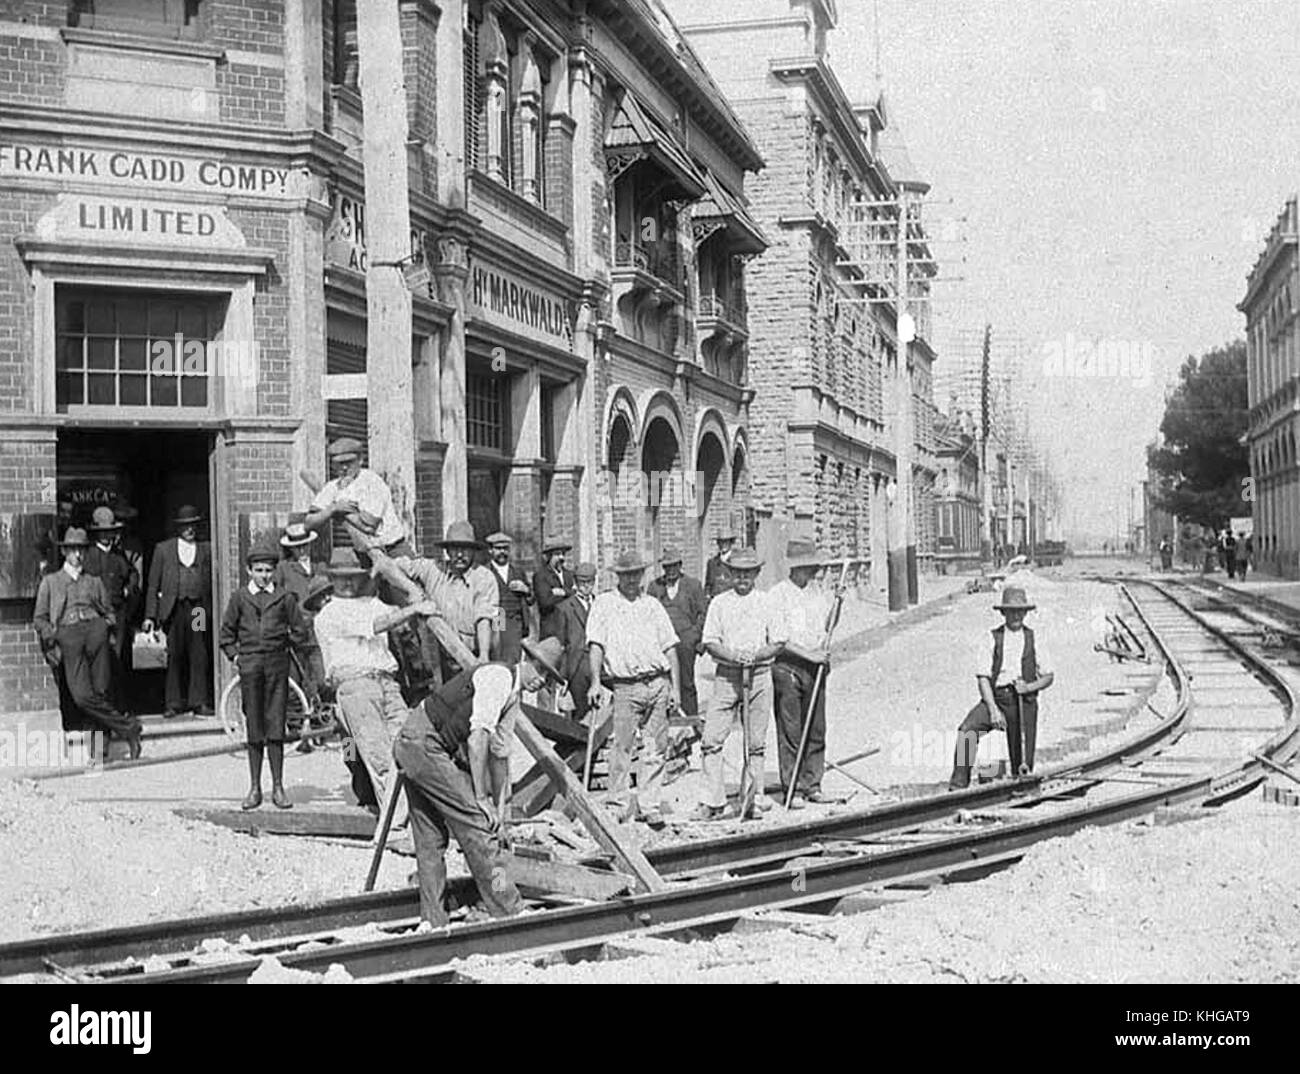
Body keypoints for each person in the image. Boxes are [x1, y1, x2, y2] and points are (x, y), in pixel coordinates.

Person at [392, 636, 567, 926]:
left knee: (430, 837)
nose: (542, 680)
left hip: (419, 744)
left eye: (549, 677)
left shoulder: (513, 697)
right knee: (476, 824)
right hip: (423, 744)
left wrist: (500, 810)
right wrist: (482, 799)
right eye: (540, 670)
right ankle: (509, 909)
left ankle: (432, 921)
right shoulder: (498, 678)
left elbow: (499, 755)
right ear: (526, 661)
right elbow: (477, 741)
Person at [312, 549, 411, 825]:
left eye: (352, 578)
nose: (346, 584)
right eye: (340, 579)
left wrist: (395, 575)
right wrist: (414, 609)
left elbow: (398, 613)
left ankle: (402, 813)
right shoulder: (328, 614)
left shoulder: (371, 602)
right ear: (331, 580)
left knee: (406, 746)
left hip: (386, 683)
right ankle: (390, 818)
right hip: (353, 686)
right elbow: (379, 624)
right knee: (368, 754)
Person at [586, 551, 681, 827]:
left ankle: (649, 804)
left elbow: (670, 647)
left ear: (642, 576)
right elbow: (596, 645)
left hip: (657, 683)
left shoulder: (652, 605)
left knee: (655, 748)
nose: (631, 580)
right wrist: (595, 682)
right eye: (626, 575)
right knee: (622, 747)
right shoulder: (605, 604)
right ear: (618, 576)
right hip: (626, 686)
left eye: (636, 575)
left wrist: (674, 687)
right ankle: (617, 802)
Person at [33, 528, 143, 759]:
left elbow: (110, 612)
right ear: (64, 552)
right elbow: (39, 618)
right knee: (82, 696)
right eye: (73, 550)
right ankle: (128, 727)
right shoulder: (51, 582)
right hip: (68, 635)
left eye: (81, 550)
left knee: (101, 690)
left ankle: (99, 749)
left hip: (95, 632)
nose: (78, 555)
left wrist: (104, 627)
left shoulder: (94, 582)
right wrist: (51, 636)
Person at [695, 548, 788, 821]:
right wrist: (734, 656)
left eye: (748, 572)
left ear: (757, 573)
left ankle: (753, 798)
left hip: (759, 675)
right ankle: (712, 801)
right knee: (711, 739)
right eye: (737, 572)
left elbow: (778, 640)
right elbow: (710, 641)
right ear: (729, 574)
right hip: (727, 675)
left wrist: (757, 655)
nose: (742, 578)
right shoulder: (720, 603)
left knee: (755, 742)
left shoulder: (767, 601)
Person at [219, 536, 310, 810]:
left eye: (268, 570)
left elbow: (300, 632)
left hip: (277, 667)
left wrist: (286, 642)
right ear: (249, 571)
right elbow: (226, 635)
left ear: (274, 571)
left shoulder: (284, 598)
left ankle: (279, 788)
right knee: (254, 726)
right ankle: (255, 787)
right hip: (250, 669)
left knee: (276, 726)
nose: (263, 575)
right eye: (258, 570)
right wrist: (236, 657)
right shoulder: (239, 598)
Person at [948, 586, 1054, 790]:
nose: (1016, 615)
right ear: (1003, 613)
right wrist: (993, 709)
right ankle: (958, 785)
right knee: (967, 731)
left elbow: (1049, 676)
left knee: (1021, 761)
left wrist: (1029, 687)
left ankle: (1016, 793)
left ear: (1025, 613)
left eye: (1020, 611)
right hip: (996, 698)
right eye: (1011, 611)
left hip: (1024, 702)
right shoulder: (992, 637)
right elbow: (983, 677)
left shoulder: (1034, 638)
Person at [769, 540, 833, 809]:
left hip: (815, 667)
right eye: (807, 567)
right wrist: (811, 655)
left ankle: (812, 784)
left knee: (816, 729)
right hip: (788, 668)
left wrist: (838, 603)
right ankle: (792, 788)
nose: (812, 572)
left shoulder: (818, 593)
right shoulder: (778, 595)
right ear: (795, 568)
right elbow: (780, 640)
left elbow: (827, 626)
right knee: (791, 731)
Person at [394, 521, 498, 681]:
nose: (460, 554)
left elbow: (483, 618)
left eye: (465, 549)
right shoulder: (433, 569)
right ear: (447, 550)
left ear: (473, 551)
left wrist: (483, 656)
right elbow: (397, 566)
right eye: (455, 549)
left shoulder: (483, 577)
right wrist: (411, 590)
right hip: (439, 656)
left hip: (471, 655)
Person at [143, 504, 214, 718]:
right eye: (185, 526)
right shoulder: (163, 550)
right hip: (173, 609)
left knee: (198, 651)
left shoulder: (206, 548)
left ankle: (198, 701)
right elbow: (153, 584)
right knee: (173, 654)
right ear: (178, 528)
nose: (190, 529)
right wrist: (150, 616)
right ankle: (173, 703)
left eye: (193, 525)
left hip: (197, 608)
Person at [304, 437, 412, 564]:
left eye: (349, 462)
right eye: (339, 463)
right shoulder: (332, 487)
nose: (344, 468)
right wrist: (333, 508)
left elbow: (369, 525)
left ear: (360, 460)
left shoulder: (372, 481)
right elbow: (309, 522)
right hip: (365, 555)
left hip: (393, 550)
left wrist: (342, 511)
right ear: (332, 465)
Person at [84, 507, 137, 712]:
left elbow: (133, 575)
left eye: (110, 531)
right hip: (96, 616)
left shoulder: (119, 555)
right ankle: (102, 704)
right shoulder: (88, 555)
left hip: (119, 613)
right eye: (103, 532)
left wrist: (128, 589)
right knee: (100, 658)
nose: (107, 536)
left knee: (118, 657)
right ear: (96, 533)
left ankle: (119, 705)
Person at [274, 520, 327, 715]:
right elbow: (275, 599)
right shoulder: (283, 569)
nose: (302, 550)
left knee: (321, 680)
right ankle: (297, 728)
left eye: (305, 545)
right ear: (291, 549)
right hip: (294, 634)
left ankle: (319, 722)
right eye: (297, 547)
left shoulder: (320, 567)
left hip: (318, 634)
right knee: (295, 682)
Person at [645, 549, 707, 718]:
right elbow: (648, 614)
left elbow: (703, 613)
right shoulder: (654, 587)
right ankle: (665, 720)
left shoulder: (693, 585)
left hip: (686, 641)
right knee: (663, 682)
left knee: (686, 682)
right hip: (662, 643)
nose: (670, 570)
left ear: (680, 566)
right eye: (667, 567)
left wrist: (694, 637)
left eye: (674, 566)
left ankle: (690, 721)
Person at [554, 562, 597, 721]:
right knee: (581, 710)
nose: (586, 586)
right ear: (576, 583)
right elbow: (561, 645)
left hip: (599, 663)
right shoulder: (565, 608)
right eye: (582, 582)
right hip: (577, 665)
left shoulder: (600, 605)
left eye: (590, 582)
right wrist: (563, 675)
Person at [483, 531, 533, 663]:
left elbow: (531, 599)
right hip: (495, 620)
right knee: (497, 658)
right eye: (498, 549)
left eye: (505, 548)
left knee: (514, 660)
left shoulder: (517, 572)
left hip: (515, 622)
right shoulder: (485, 572)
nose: (502, 552)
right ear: (490, 551)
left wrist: (526, 590)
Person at [533, 537, 575, 639]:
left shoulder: (569, 575)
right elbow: (545, 601)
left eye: (563, 554)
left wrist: (563, 592)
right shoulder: (541, 576)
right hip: (551, 629)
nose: (561, 558)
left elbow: (576, 596)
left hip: (569, 628)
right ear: (548, 556)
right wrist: (569, 594)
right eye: (557, 554)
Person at [704, 532, 737, 600]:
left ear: (731, 542)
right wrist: (707, 595)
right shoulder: (712, 563)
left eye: (726, 542)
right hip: (715, 601)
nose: (723, 545)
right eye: (721, 542)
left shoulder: (736, 561)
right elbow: (708, 584)